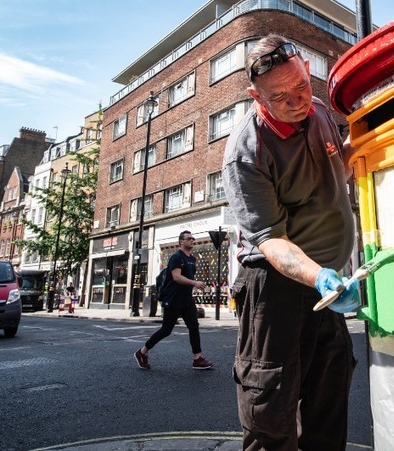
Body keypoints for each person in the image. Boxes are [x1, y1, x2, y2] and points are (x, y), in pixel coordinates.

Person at [223, 34, 361, 451]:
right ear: (255, 95)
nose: (298, 100)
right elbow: (271, 241)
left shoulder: (318, 111)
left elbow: (341, 170)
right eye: (280, 96)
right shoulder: (246, 151)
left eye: (302, 84)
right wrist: (321, 277)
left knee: (329, 399)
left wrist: (369, 141)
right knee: (271, 412)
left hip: (326, 283)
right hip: (275, 286)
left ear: (306, 68)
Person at [133, 230, 214, 371]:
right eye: (189, 239)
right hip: (173, 299)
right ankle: (142, 352)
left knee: (194, 326)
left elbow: (185, 279)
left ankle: (197, 358)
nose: (192, 241)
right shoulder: (176, 257)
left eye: (193, 238)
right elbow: (176, 277)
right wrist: (194, 283)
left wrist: (194, 286)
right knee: (166, 330)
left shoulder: (192, 259)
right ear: (181, 242)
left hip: (186, 300)